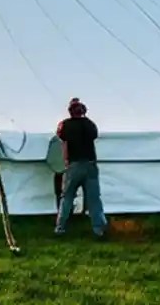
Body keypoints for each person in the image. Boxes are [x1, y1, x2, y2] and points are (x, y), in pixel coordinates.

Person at [54, 97, 107, 239]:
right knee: (94, 199)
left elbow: (63, 142)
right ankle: (99, 229)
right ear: (83, 111)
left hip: (73, 165)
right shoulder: (90, 125)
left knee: (67, 197)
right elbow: (94, 135)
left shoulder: (65, 125)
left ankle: (60, 227)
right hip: (90, 164)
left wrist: (65, 160)